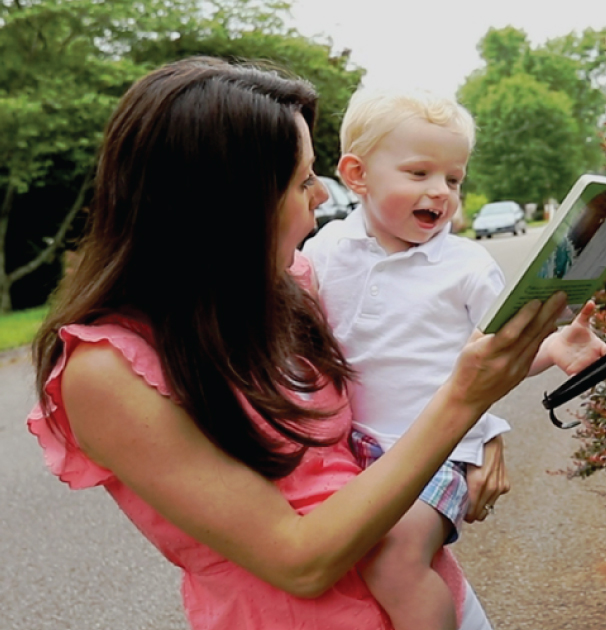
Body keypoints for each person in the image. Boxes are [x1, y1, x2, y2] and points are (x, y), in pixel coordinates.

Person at [26, 56, 567, 630]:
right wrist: (463, 402)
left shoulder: (290, 286)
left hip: (439, 602)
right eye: (303, 179)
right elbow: (302, 561)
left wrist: (474, 435)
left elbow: (402, 361)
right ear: (228, 202)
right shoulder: (106, 372)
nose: (322, 195)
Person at [301, 86, 606, 630]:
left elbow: (501, 350)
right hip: (348, 449)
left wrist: (555, 344)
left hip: (438, 451)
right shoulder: (325, 250)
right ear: (356, 176)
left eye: (453, 179)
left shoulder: (466, 264)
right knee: (337, 557)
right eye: (419, 174)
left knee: (394, 561)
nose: (440, 192)